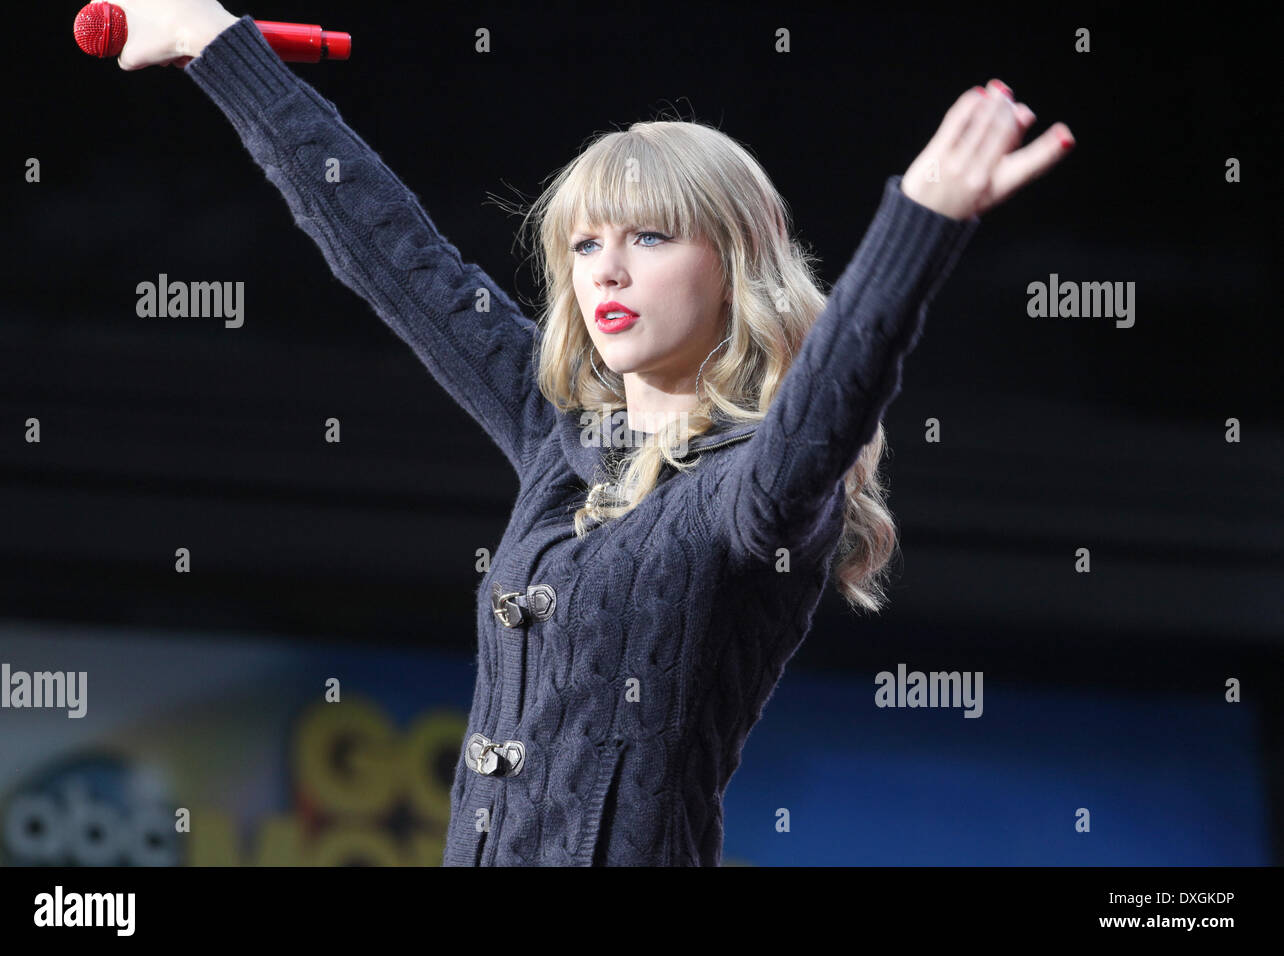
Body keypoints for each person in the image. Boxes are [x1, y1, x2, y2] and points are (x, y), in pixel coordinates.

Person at [113, 1, 1074, 865]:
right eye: (585, 244)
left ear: (734, 267)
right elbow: (392, 254)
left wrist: (921, 223)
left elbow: (829, 403)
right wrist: (219, 43)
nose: (606, 271)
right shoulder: (558, 438)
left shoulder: (751, 491)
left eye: (649, 238)